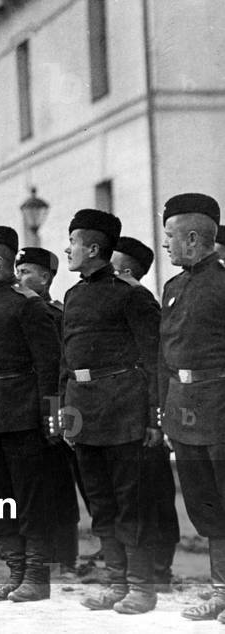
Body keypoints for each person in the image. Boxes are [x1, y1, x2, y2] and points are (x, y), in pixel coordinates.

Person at [59, 210, 163, 614]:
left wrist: (154, 418)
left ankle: (141, 587)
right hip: (82, 409)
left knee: (128, 501)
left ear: (94, 248)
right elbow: (63, 366)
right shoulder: (73, 295)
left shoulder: (131, 295)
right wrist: (61, 415)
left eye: (73, 242)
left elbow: (154, 359)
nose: (68, 249)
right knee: (99, 502)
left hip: (123, 408)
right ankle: (114, 582)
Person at [0, 226, 61, 603]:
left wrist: (51, 421)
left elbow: (49, 367)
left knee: (30, 496)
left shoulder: (28, 305)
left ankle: (36, 576)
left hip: (22, 415)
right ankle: (16, 572)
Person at [158, 193, 225, 623]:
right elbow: (167, 354)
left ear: (194, 238)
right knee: (205, 506)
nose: (166, 245)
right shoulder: (173, 287)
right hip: (184, 410)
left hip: (221, 406)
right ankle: (221, 592)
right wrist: (166, 412)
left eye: (171, 236)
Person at [112, 236, 181, 590]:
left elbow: (156, 361)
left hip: (142, 413)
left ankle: (159, 570)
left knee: (153, 492)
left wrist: (155, 418)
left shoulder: (140, 301)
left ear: (124, 270)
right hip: (124, 413)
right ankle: (140, 567)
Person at [14, 247, 81, 574]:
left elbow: (59, 369)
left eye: (27, 271)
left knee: (59, 481)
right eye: (18, 269)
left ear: (45, 277)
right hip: (23, 409)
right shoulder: (14, 311)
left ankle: (66, 558)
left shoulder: (57, 314)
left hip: (53, 405)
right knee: (30, 484)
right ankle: (38, 557)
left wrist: (55, 418)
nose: (19, 276)